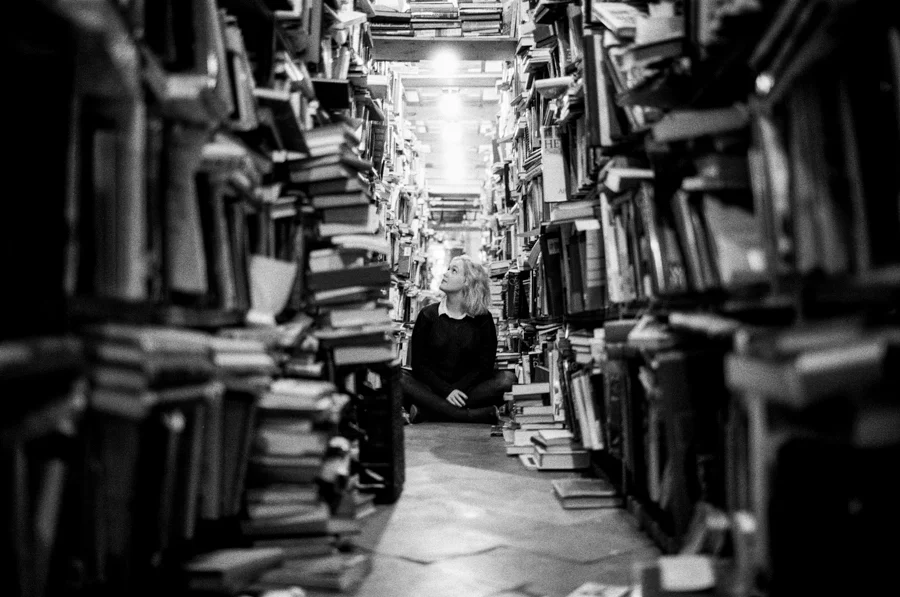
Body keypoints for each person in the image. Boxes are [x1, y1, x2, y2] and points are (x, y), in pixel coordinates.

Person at [400, 255, 517, 423]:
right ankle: (468, 415)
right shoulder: (428, 315)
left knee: (507, 379)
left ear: (467, 282)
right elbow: (419, 366)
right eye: (448, 269)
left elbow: (483, 367)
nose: (445, 274)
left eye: (453, 271)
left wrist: (457, 390)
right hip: (433, 388)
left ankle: (430, 412)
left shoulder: (483, 318)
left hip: (469, 390)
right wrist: (447, 391)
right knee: (399, 376)